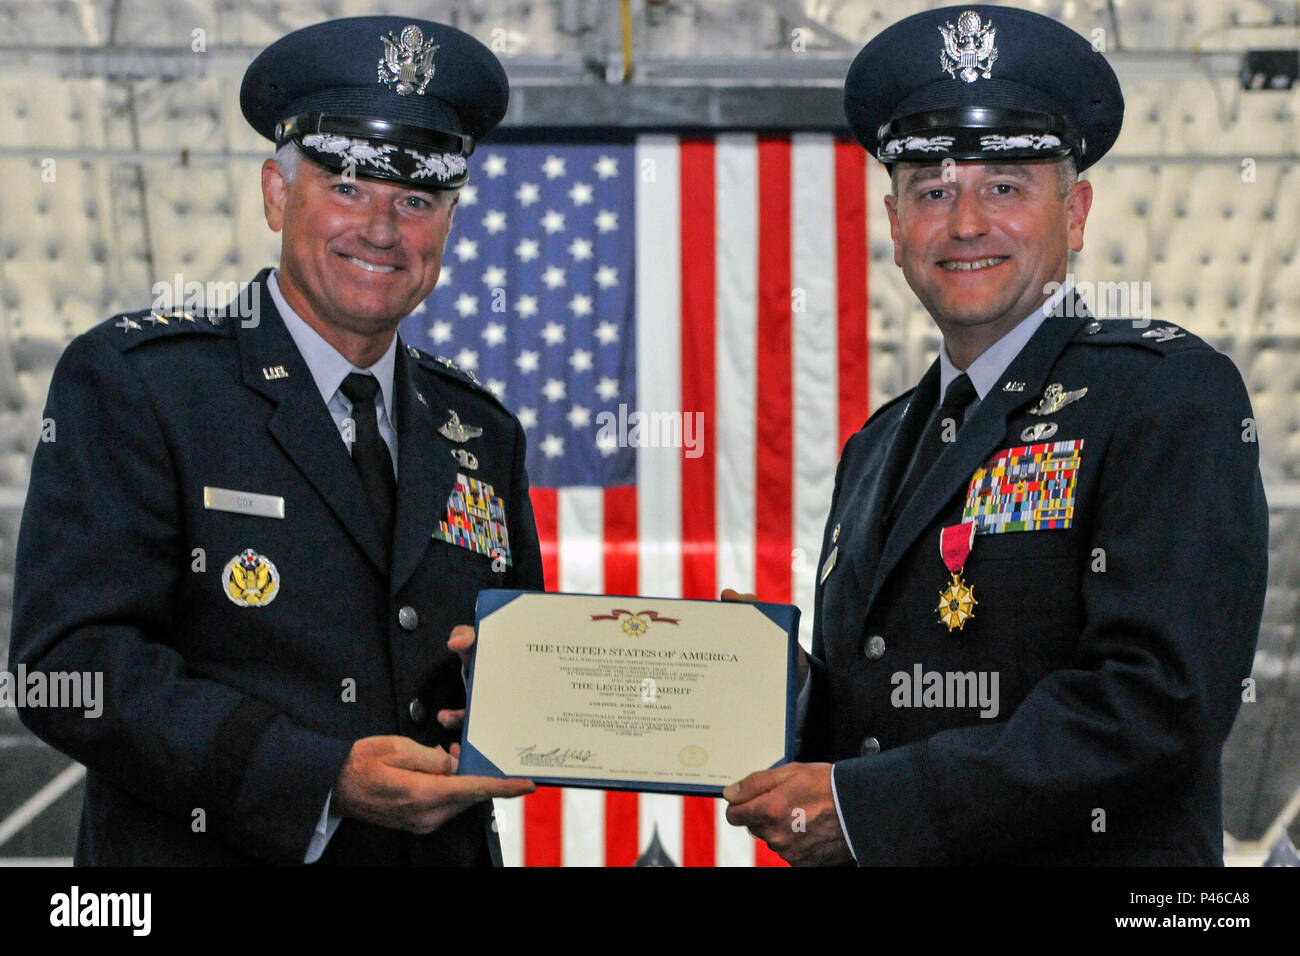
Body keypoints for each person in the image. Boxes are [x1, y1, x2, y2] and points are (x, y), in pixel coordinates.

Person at [723, 4, 1268, 865]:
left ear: (1076, 212)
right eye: (933, 191)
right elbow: (883, 712)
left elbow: (1158, 703)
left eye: (1004, 188)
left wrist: (871, 808)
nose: (966, 224)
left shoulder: (1165, 395)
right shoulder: (879, 445)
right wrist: (769, 689)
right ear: (897, 225)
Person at [10, 16, 540, 865]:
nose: (380, 228)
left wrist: (498, 698)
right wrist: (319, 775)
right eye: (347, 187)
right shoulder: (143, 384)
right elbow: (66, 668)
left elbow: (507, 667)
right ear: (274, 193)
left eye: (416, 199)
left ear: (447, 222)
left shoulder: (480, 429)